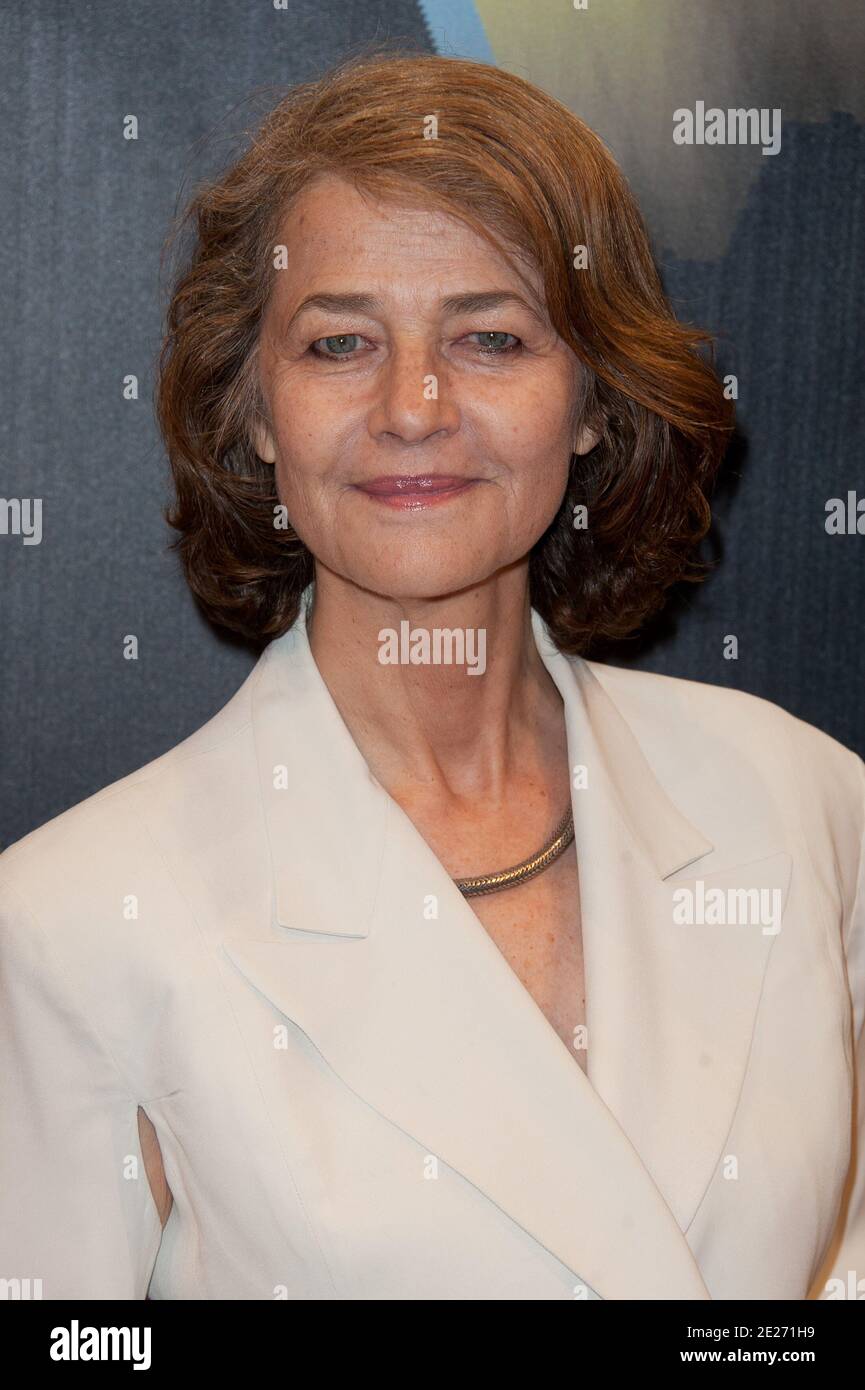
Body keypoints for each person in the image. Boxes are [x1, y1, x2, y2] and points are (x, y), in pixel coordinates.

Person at [1, 50, 862, 1302]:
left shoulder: (804, 805)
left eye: (491, 337)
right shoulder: (72, 920)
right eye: (340, 341)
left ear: (587, 400)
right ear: (255, 409)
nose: (414, 406)